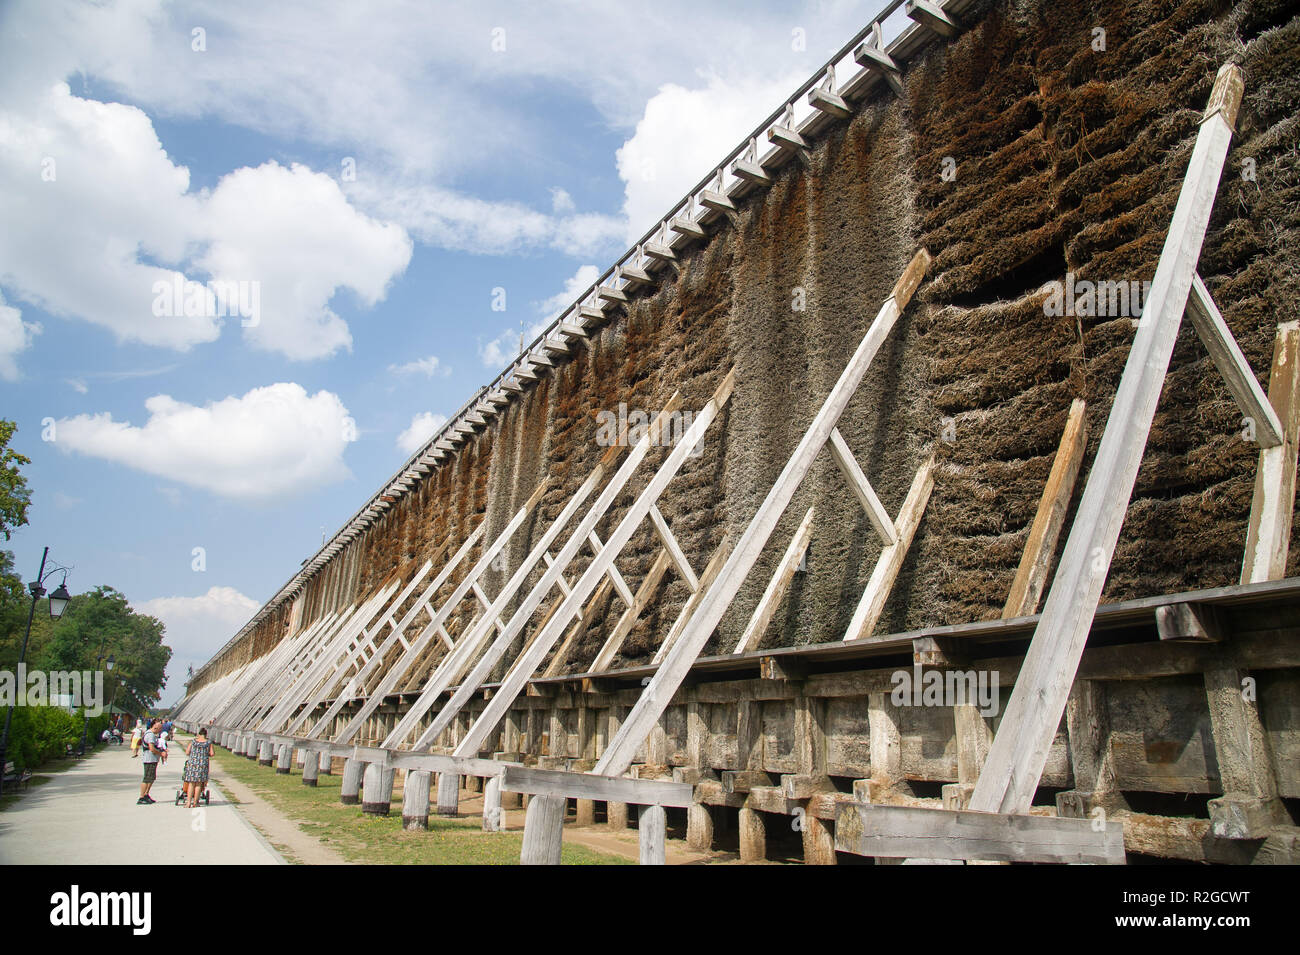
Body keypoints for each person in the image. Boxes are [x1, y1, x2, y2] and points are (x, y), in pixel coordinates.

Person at [181, 729, 212, 808]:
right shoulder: (208, 742)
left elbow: (187, 752)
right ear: (206, 735)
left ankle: (188, 803)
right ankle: (195, 802)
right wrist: (205, 753)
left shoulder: (193, 741)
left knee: (191, 783)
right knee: (198, 784)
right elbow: (212, 753)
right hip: (202, 764)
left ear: (199, 734)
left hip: (193, 764)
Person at [137, 719, 163, 804]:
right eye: (160, 727)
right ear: (155, 726)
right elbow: (151, 748)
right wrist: (160, 753)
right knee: (147, 778)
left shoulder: (151, 734)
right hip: (149, 759)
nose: (161, 729)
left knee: (151, 778)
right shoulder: (150, 735)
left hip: (152, 759)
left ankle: (146, 794)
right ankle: (141, 797)